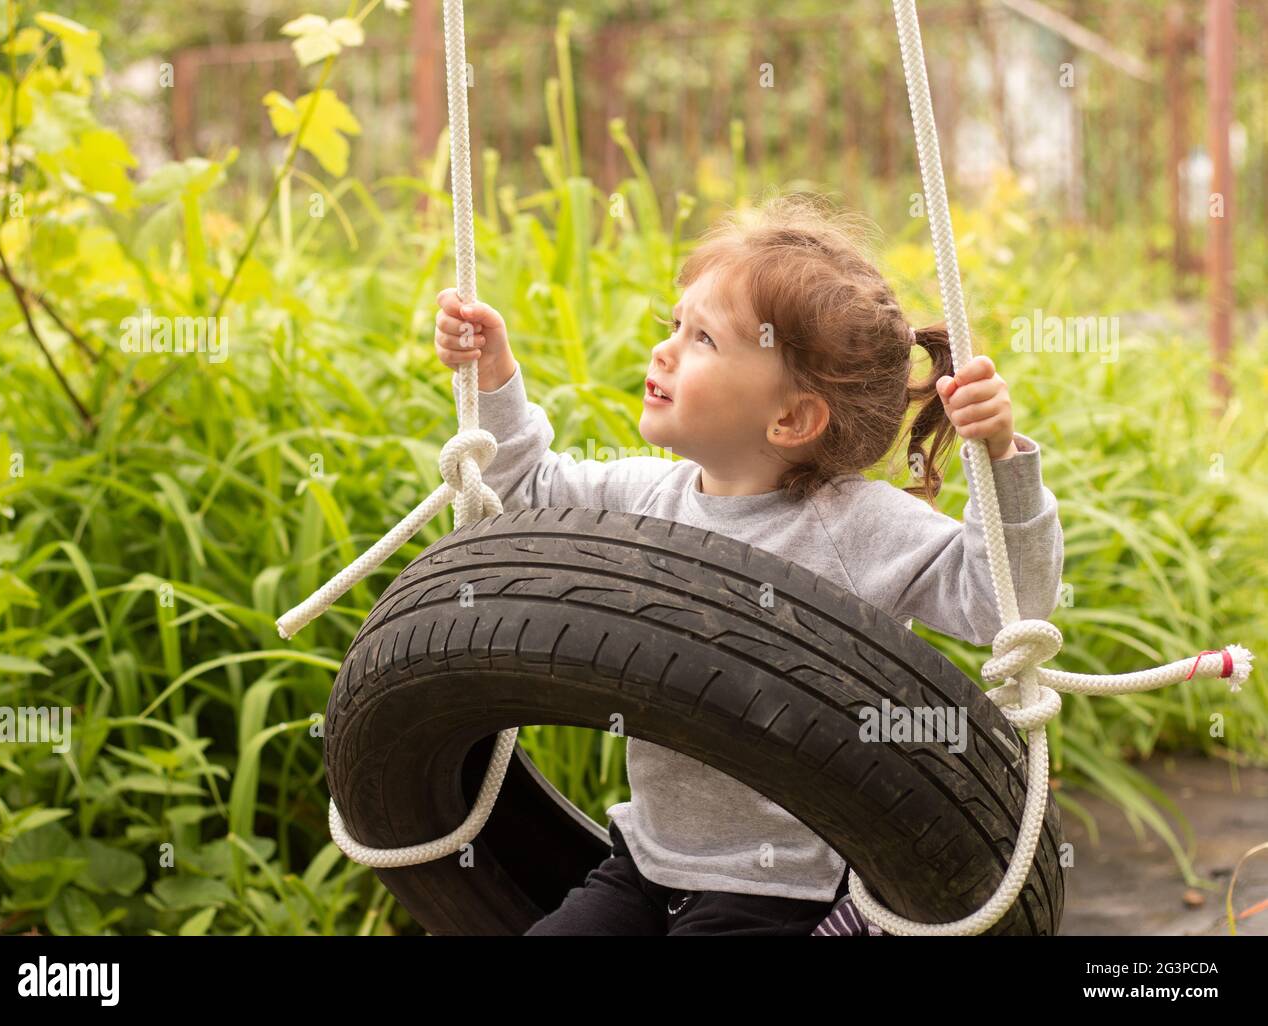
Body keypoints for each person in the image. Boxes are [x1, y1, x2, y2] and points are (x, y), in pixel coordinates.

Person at [432, 190, 1064, 936]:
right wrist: (497, 376)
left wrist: (1000, 460)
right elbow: (525, 493)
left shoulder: (856, 527)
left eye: (702, 339)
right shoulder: (640, 500)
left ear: (791, 417)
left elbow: (1003, 603)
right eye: (675, 325)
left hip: (785, 891)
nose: (664, 349)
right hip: (646, 863)